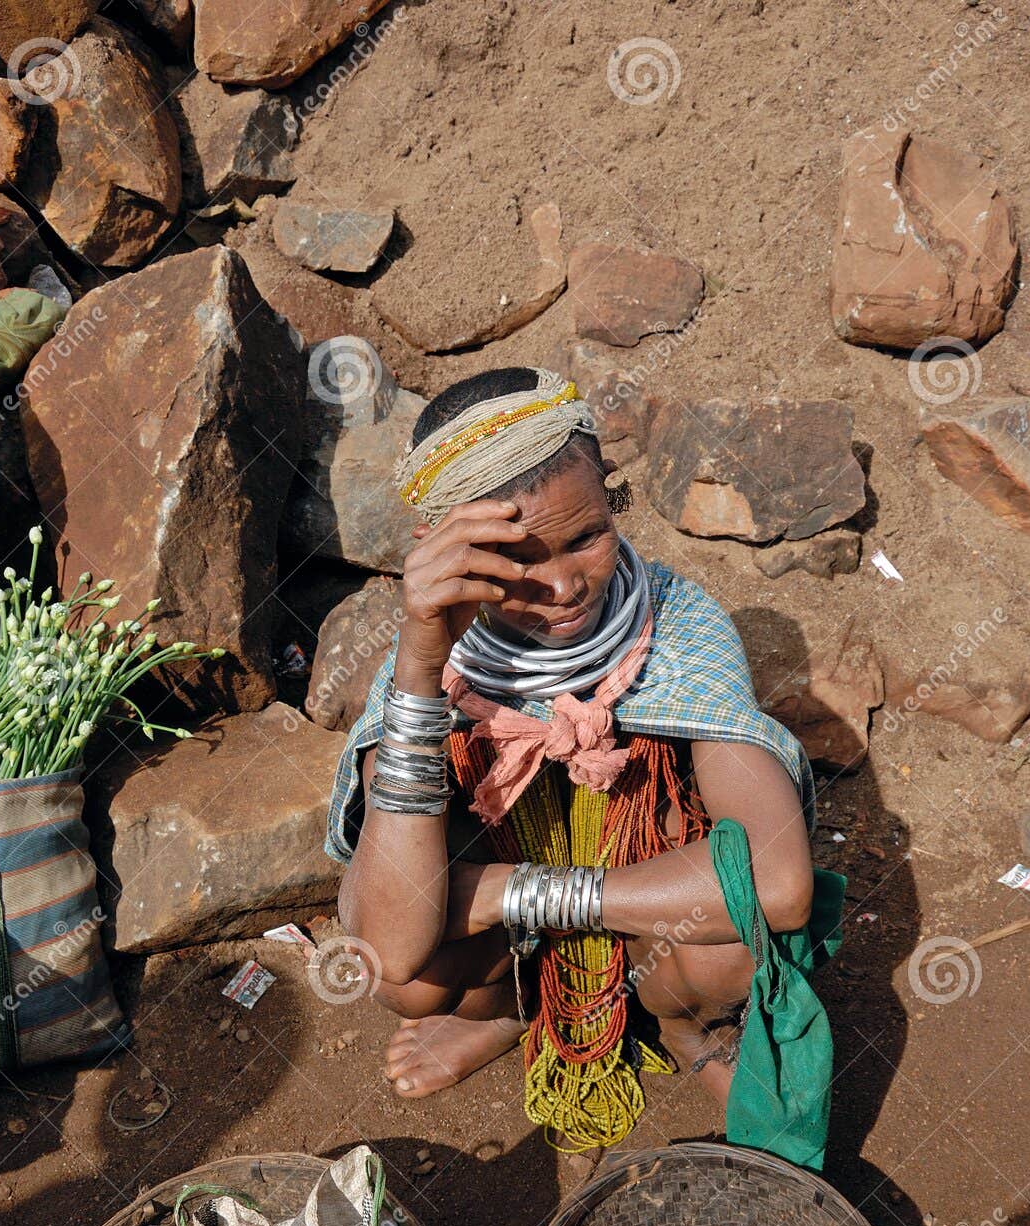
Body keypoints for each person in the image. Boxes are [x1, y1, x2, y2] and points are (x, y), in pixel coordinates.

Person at [325, 367, 830, 1154]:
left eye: (587, 537)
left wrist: (510, 890)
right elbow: (384, 943)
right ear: (446, 556)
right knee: (409, 975)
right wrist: (420, 671)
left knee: (726, 952)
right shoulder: (431, 663)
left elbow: (780, 886)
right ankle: (505, 1011)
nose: (563, 585)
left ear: (611, 505)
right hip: (541, 933)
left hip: (648, 932)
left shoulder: (676, 624)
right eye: (518, 562)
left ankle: (681, 1025)